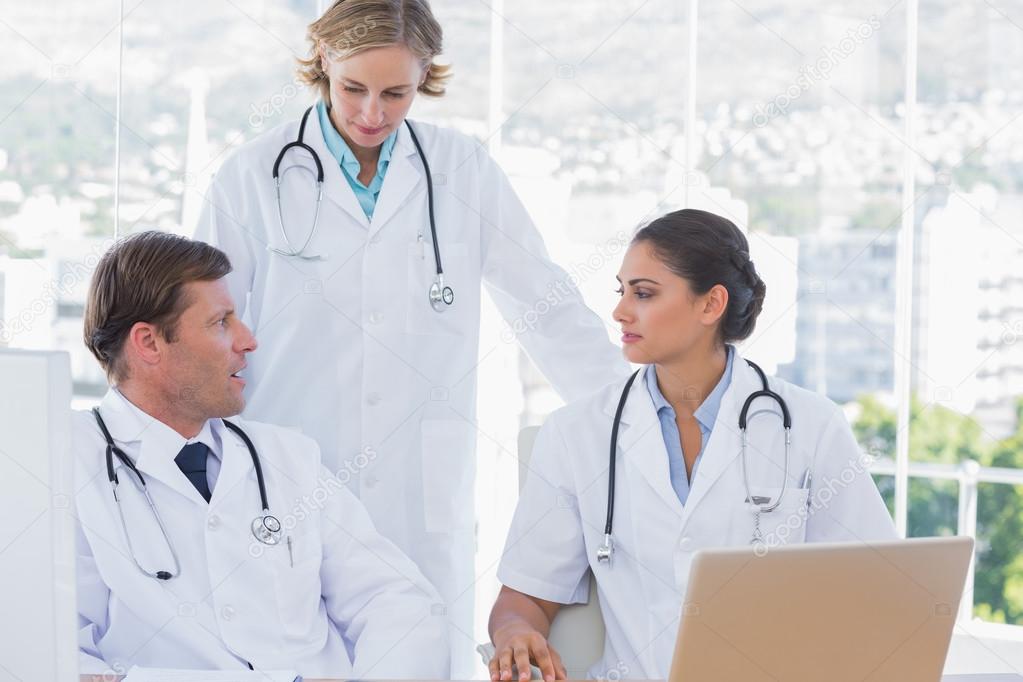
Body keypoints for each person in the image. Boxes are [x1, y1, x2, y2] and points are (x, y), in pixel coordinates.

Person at [193, 0, 628, 671]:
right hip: (287, 469)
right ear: (323, 68)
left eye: (395, 93)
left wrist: (630, 414)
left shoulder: (462, 172)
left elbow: (545, 305)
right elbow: (204, 322)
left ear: (425, 78)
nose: (371, 113)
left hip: (417, 489)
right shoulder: (253, 175)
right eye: (353, 89)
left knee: (416, 660)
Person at [488, 209, 898, 680]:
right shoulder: (575, 433)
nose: (621, 311)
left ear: (710, 305)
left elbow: (875, 588)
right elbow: (525, 597)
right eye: (622, 291)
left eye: (644, 293)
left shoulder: (811, 425)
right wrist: (515, 634)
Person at [74, 231, 449, 678]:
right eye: (221, 322)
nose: (248, 341)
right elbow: (51, 655)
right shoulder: (66, 463)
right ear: (150, 343)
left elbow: (396, 600)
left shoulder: (287, 459)